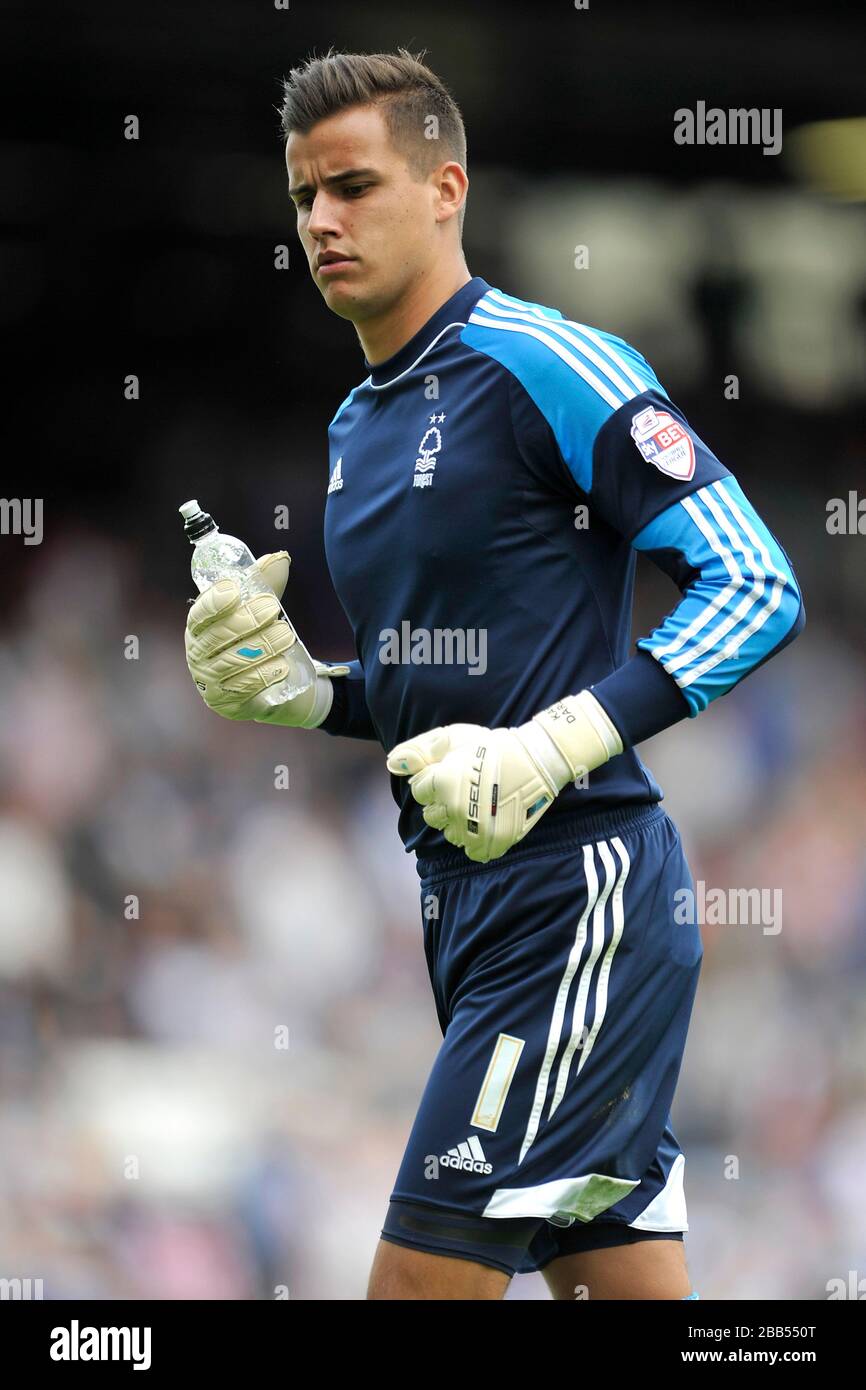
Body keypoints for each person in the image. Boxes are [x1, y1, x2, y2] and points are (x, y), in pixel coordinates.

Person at [184, 48, 804, 1300]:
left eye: (352, 185)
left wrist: (551, 743)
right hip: (471, 916)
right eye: (303, 194)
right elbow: (439, 693)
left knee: (414, 1288)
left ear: (445, 187)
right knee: (612, 1290)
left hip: (572, 896)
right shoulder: (356, 426)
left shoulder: (549, 362)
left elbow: (754, 581)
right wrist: (311, 692)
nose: (318, 221)